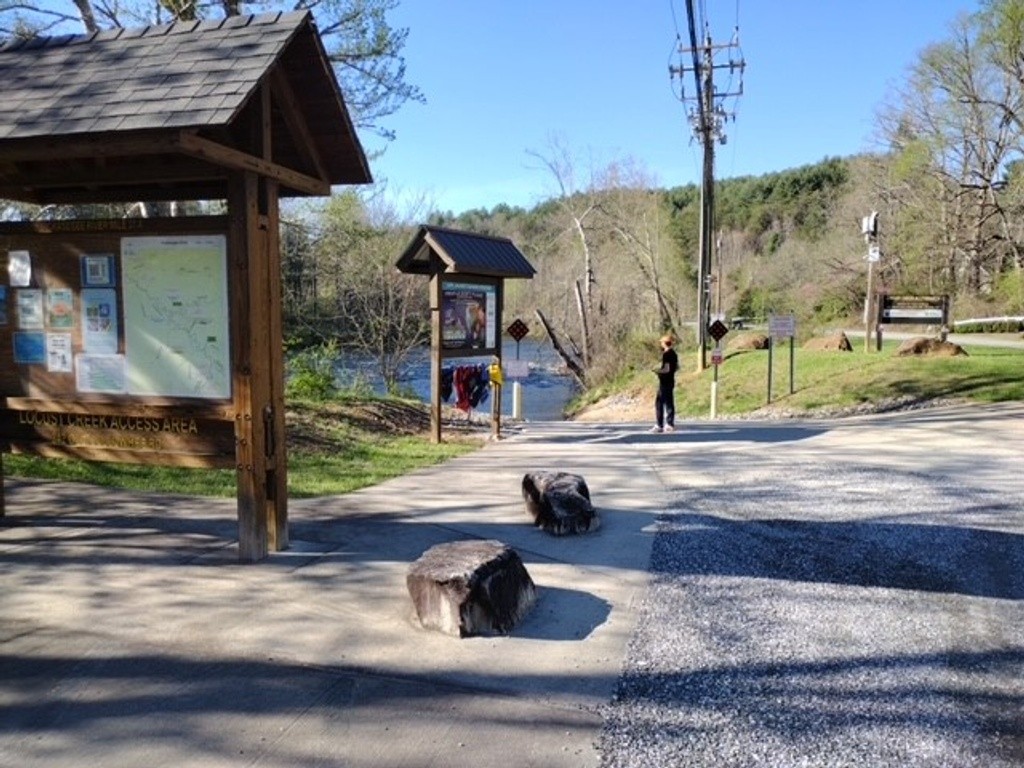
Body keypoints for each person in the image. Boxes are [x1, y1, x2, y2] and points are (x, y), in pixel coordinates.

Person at [651, 334, 678, 433]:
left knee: (659, 402)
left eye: (662, 342)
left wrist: (658, 371)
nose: (661, 344)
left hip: (665, 381)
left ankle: (659, 425)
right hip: (671, 380)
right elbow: (675, 367)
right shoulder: (674, 354)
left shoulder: (667, 354)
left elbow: (666, 369)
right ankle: (670, 423)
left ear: (665, 343)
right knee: (669, 402)